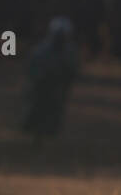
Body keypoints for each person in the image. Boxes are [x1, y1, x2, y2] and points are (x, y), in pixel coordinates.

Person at [22, 16, 79, 144]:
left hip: (57, 86)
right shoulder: (42, 50)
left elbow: (72, 70)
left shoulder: (69, 52)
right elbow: (32, 67)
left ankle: (46, 133)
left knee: (54, 112)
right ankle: (36, 134)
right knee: (36, 110)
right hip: (41, 84)